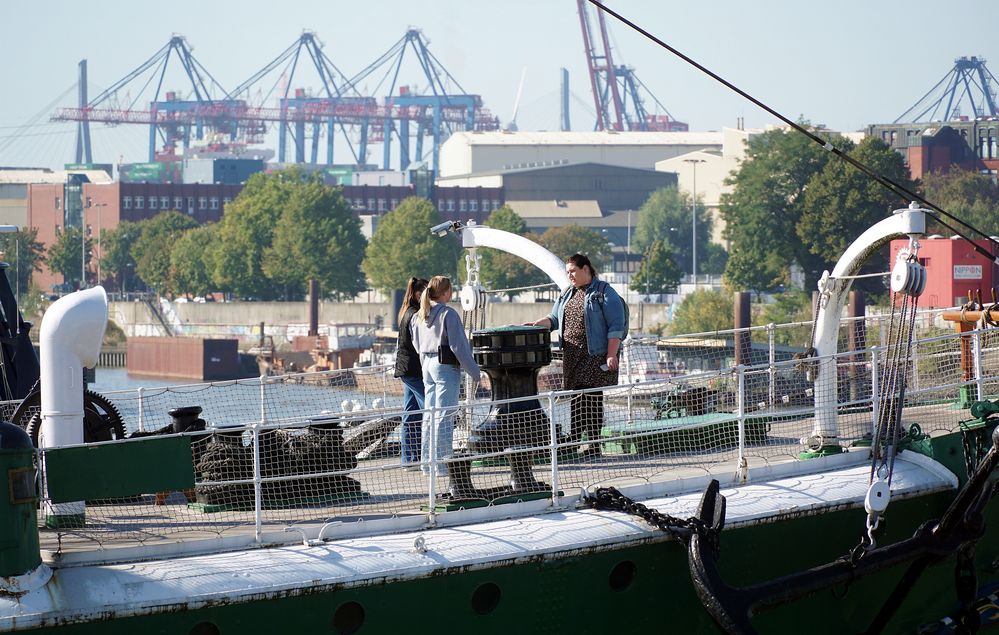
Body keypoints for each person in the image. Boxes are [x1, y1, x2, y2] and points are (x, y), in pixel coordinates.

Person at [528, 254, 627, 458]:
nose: (570, 275)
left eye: (573, 271)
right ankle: (575, 440)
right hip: (572, 356)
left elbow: (616, 325)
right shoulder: (567, 294)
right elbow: (554, 318)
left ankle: (593, 444)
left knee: (592, 399)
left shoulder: (604, 292)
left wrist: (611, 354)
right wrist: (538, 324)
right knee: (576, 399)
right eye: (567, 272)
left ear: (586, 269)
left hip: (594, 356)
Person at [410, 276, 481, 483]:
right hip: (445, 367)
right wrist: (475, 372)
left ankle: (427, 463)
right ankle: (442, 465)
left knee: (430, 415)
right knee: (444, 416)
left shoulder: (419, 315)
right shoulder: (448, 314)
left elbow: (416, 343)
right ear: (446, 292)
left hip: (427, 365)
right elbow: (459, 346)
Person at [394, 277, 429, 468]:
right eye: (423, 291)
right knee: (430, 409)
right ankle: (424, 456)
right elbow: (420, 344)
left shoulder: (406, 311)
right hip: (413, 369)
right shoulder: (415, 314)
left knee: (411, 413)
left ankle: (409, 458)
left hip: (407, 368)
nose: (426, 295)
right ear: (416, 293)